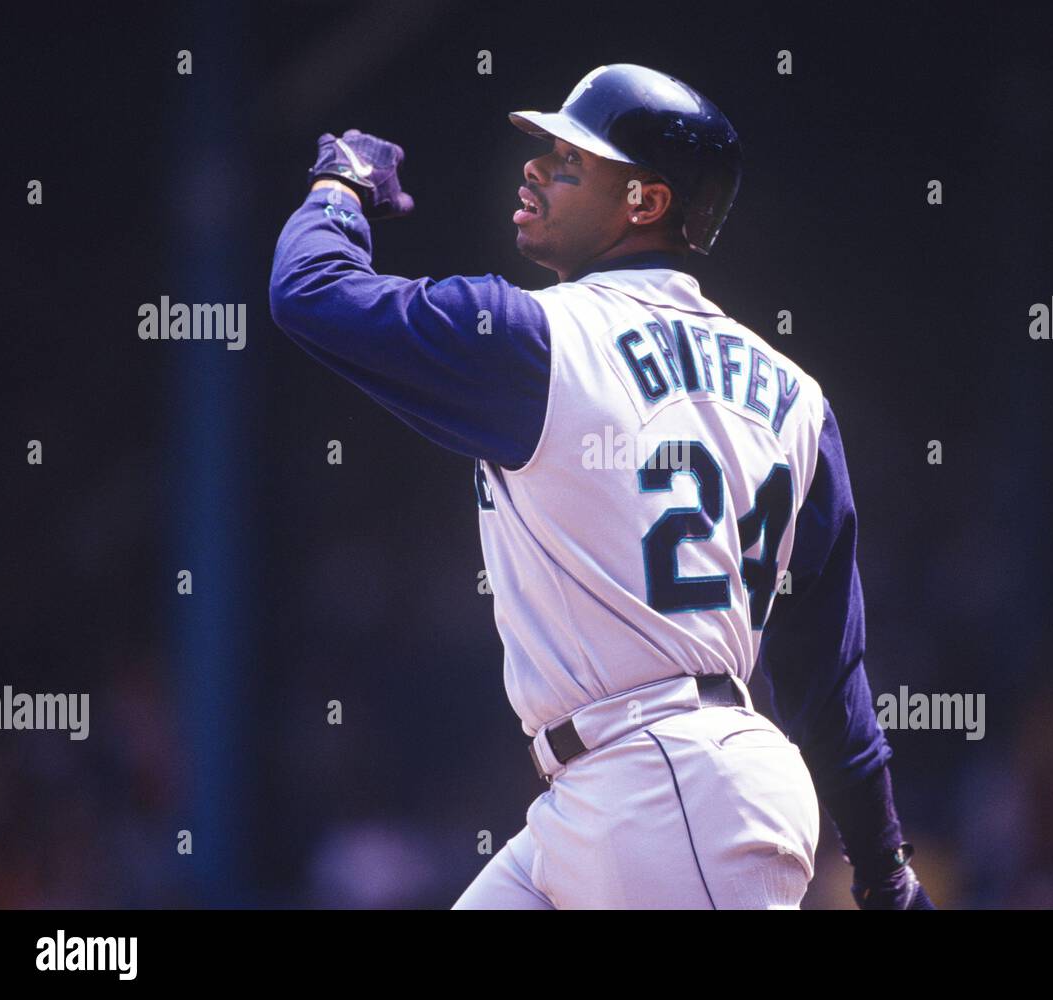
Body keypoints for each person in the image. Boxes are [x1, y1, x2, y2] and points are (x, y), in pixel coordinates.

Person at [269, 63, 933, 910]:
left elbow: (311, 290)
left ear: (646, 203)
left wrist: (340, 186)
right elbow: (828, 683)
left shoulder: (537, 338)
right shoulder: (797, 396)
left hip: (676, 790)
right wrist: (885, 873)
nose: (536, 168)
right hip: (608, 799)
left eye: (570, 160)